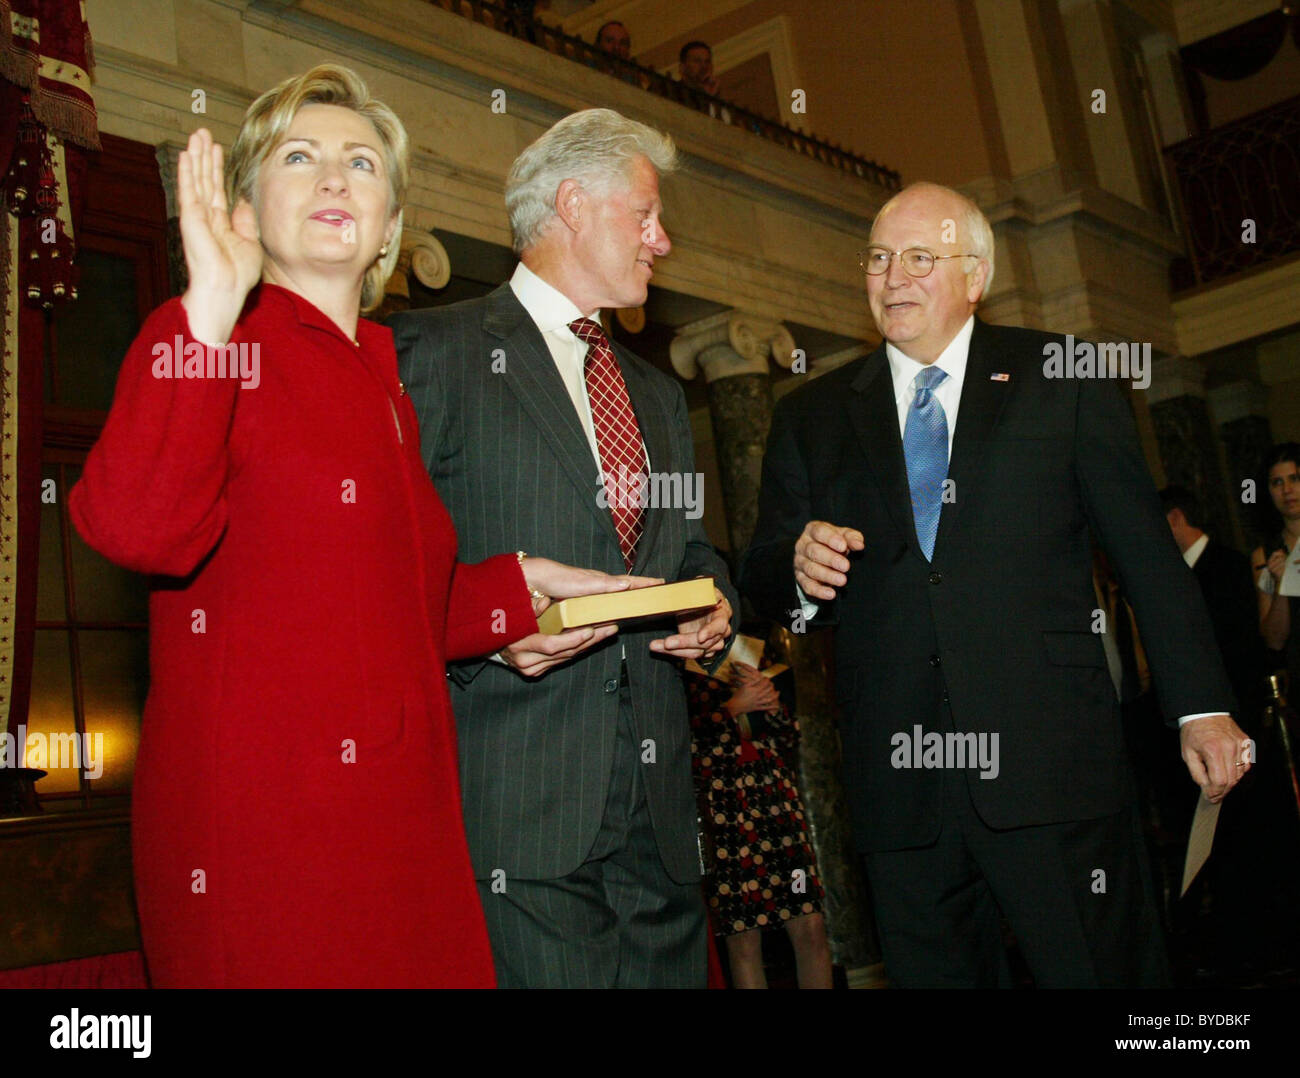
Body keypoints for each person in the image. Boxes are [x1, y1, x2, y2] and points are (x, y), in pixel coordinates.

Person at [69, 65, 639, 988]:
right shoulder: (210, 342)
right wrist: (209, 306)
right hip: (270, 841)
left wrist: (518, 591)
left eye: (363, 164)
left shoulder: (384, 378)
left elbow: (376, 597)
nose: (337, 177)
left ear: (387, 229)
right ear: (246, 213)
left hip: (404, 827)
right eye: (301, 157)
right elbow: (136, 529)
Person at [738, 181, 1251, 988]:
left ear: (975, 276)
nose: (892, 275)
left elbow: (1149, 561)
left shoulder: (1063, 376)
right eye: (877, 258)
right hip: (899, 783)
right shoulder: (815, 414)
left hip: (1052, 766)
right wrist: (796, 566)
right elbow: (759, 570)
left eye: (918, 257)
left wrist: (1202, 706)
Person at [389, 108, 737, 988]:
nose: (662, 241)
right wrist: (486, 620)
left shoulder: (658, 396)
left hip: (661, 825)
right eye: (646, 215)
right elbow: (388, 570)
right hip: (519, 809)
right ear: (574, 205)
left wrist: (714, 601)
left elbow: (689, 550)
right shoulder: (432, 351)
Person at [687, 642, 832, 988]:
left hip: (779, 809)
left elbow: (788, 735)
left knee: (810, 924)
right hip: (729, 819)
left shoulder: (751, 654)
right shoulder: (679, 669)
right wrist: (734, 708)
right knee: (744, 938)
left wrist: (772, 701)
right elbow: (682, 749)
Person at [1253, 443, 1300, 691]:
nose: (1287, 490)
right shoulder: (1266, 555)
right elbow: (1274, 640)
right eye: (1277, 483)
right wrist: (1283, 583)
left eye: (1294, 479)